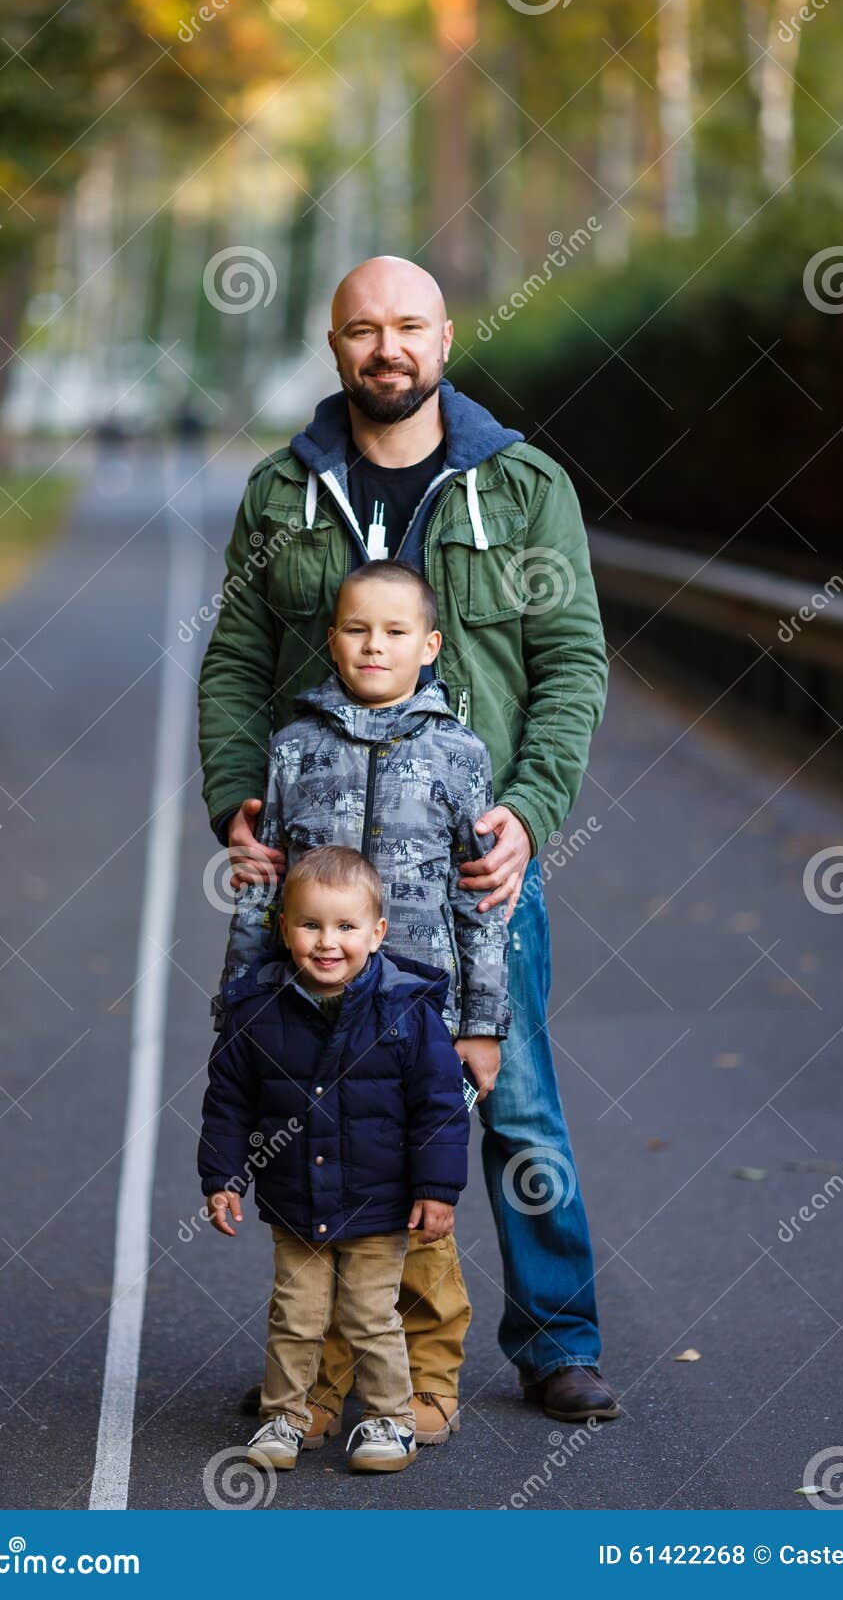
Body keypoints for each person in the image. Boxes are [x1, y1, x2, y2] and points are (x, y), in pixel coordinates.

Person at [197, 254, 618, 1424]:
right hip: (315, 880)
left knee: (511, 1099)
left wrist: (527, 813)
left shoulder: (524, 487)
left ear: (444, 339)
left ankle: (557, 1340)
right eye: (362, 329)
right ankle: (321, 1365)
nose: (387, 347)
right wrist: (234, 792)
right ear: (335, 346)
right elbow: (235, 661)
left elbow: (571, 663)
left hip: (469, 874)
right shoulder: (282, 495)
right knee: (314, 1107)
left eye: (409, 327)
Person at [217, 557, 509, 1442]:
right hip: (306, 1018)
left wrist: (482, 1025)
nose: (372, 645)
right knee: (318, 1190)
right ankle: (320, 1391)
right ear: (331, 638)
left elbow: (481, 905)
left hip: (418, 1020)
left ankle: (426, 1384)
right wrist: (238, 1007)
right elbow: (262, 891)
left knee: (415, 1207)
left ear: (428, 646)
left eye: (392, 631)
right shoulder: (296, 745)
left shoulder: (458, 753)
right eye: (354, 628)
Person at [199, 846, 469, 1474]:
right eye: (311, 924)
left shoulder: (407, 1011)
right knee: (295, 1314)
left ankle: (388, 1419)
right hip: (296, 1199)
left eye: (346, 927)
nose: (327, 942)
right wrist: (223, 1177)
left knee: (371, 1312)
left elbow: (439, 1108)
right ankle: (287, 1417)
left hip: (379, 1200)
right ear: (285, 928)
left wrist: (436, 1189)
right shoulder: (257, 1012)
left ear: (377, 934)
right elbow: (228, 1104)